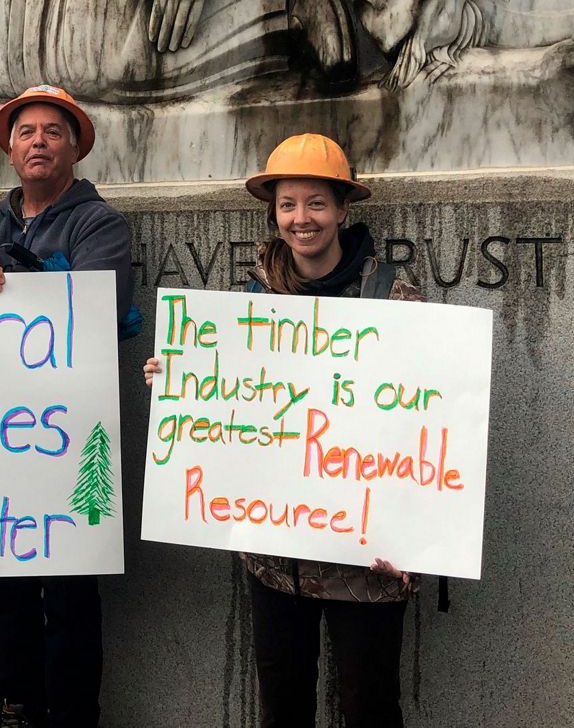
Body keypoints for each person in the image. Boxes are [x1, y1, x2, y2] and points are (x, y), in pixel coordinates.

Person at [142, 133, 421, 728]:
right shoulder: (251, 301)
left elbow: (426, 423)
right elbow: (229, 404)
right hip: (277, 559)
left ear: (342, 209)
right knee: (283, 709)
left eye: (316, 203)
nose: (302, 218)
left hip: (365, 563)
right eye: (288, 204)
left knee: (370, 710)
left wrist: (418, 537)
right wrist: (178, 380)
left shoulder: (395, 297)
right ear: (274, 213)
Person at [0, 84, 135, 728]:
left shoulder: (99, 224)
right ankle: (18, 702)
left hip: (67, 436)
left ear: (75, 148)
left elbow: (96, 305)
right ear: (9, 149)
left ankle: (74, 715)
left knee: (71, 594)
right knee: (2, 588)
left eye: (54, 132)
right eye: (26, 132)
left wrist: (11, 281)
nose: (39, 142)